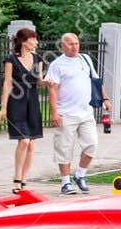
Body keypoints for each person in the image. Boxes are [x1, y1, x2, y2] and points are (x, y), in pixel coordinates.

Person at [45, 31, 109, 194]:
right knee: (64, 148)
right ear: (62, 46)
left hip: (86, 112)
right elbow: (52, 90)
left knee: (91, 144)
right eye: (70, 44)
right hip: (65, 113)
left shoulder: (85, 59)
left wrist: (105, 99)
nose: (75, 46)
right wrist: (54, 113)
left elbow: (96, 81)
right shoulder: (57, 65)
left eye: (77, 43)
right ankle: (65, 182)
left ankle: (80, 175)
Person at [0, 26, 44, 193]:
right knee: (23, 140)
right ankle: (17, 179)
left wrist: (48, 82)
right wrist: (3, 108)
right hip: (16, 103)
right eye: (33, 39)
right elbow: (7, 83)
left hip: (32, 102)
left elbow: (40, 82)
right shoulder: (11, 59)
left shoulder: (38, 58)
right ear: (24, 42)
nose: (36, 42)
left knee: (31, 144)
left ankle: (24, 180)